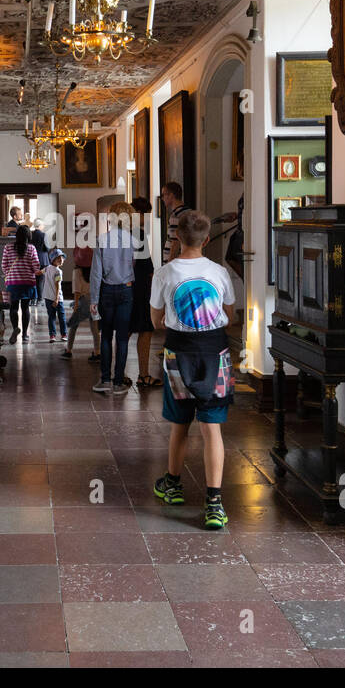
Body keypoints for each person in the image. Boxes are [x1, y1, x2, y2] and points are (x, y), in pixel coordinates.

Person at [149, 209, 236, 530]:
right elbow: (231, 312)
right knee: (212, 428)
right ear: (207, 239)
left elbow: (155, 321)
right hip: (215, 353)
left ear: (177, 238)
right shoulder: (219, 272)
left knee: (180, 424)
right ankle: (214, 503)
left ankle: (172, 484)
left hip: (178, 353)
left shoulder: (164, 273)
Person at [90, 201, 138, 395]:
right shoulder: (135, 241)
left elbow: (96, 273)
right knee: (123, 339)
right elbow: (136, 267)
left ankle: (105, 380)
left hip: (107, 291)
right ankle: (119, 382)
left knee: (106, 336)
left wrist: (94, 299)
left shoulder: (102, 240)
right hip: (127, 290)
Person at [129, 197, 160, 391]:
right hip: (140, 287)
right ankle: (143, 374)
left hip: (126, 285)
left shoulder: (120, 233)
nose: (147, 218)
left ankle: (118, 374)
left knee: (126, 330)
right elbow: (147, 265)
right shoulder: (138, 233)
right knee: (146, 329)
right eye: (146, 214)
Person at [1, 225, 42, 343]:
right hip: (28, 283)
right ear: (29, 235)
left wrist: (11, 273)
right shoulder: (31, 248)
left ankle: (15, 329)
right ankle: (24, 335)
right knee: (25, 308)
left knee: (13, 308)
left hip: (13, 283)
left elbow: (4, 266)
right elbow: (36, 266)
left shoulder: (8, 247)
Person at [69, 212, 100, 362]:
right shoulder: (94, 270)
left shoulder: (76, 272)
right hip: (94, 300)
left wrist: (75, 304)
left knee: (73, 326)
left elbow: (76, 290)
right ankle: (97, 351)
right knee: (94, 328)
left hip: (82, 301)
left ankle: (68, 350)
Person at [43, 250, 67, 342]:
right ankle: (63, 334)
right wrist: (56, 299)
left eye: (62, 258)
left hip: (48, 297)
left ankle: (52, 336)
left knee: (51, 317)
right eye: (58, 259)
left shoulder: (47, 268)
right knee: (61, 317)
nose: (61, 260)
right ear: (53, 260)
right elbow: (57, 285)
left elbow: (40, 272)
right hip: (57, 299)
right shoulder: (58, 271)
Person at [161, 182, 188, 263]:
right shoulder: (189, 211)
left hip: (175, 262)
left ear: (171, 195)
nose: (162, 198)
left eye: (163, 195)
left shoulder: (176, 215)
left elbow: (175, 243)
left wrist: (169, 265)